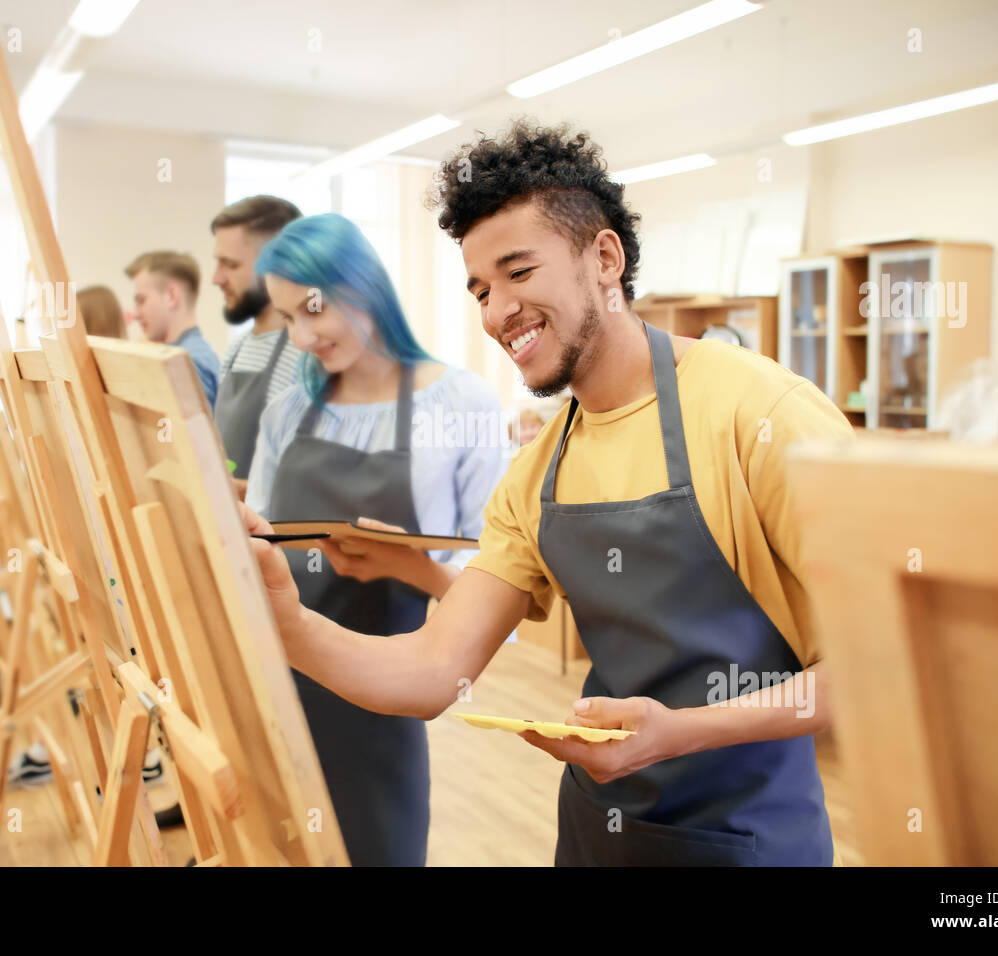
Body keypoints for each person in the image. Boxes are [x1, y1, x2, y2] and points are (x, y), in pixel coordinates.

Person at [241, 122, 855, 866]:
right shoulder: (536, 475)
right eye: (480, 289)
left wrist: (684, 731)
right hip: (600, 830)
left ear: (603, 258)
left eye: (519, 272)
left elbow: (869, 674)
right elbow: (435, 669)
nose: (497, 311)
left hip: (749, 840)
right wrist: (285, 623)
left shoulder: (757, 412)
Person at [245, 212, 503, 866]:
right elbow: (262, 552)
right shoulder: (286, 414)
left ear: (363, 286)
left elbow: (503, 596)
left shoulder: (462, 406)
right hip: (274, 692)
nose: (301, 336)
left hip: (380, 705)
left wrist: (408, 566)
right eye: (286, 318)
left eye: (313, 309)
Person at [210, 196, 306, 494]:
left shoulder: (305, 356)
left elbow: (307, 491)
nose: (216, 278)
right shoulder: (238, 348)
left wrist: (232, 492)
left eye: (231, 265)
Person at [125, 251, 219, 409]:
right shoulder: (182, 358)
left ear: (171, 296)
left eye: (141, 300)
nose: (135, 313)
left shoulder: (188, 364)